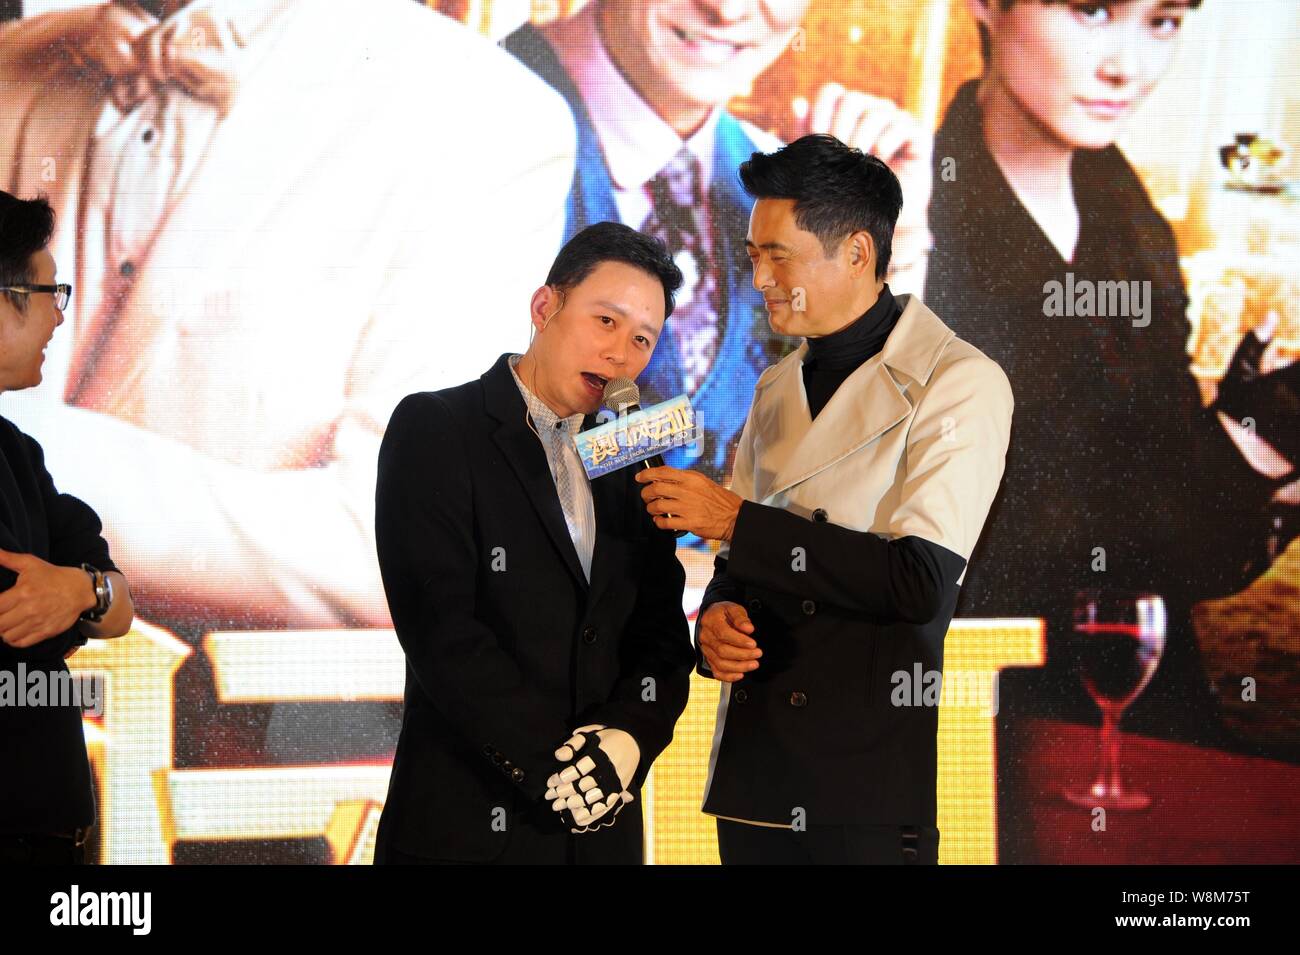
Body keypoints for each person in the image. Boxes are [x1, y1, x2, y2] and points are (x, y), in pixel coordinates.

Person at [0, 0, 576, 631]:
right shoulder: (16, 64)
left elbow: (406, 542)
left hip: (234, 715)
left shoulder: (484, 114)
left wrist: (31, 442)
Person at [925, 0, 1300, 747]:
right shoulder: (913, 218)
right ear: (985, 8)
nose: (1126, 66)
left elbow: (1166, 559)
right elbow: (993, 539)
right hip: (977, 705)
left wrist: (1251, 443)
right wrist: (1239, 452)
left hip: (1143, 694)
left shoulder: (1129, 216)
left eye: (1162, 22)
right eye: (1091, 11)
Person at [634, 135, 1013, 863]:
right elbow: (742, 566)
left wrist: (735, 519)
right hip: (753, 785)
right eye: (753, 255)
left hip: (861, 799)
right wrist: (716, 623)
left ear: (859, 255)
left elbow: (920, 582)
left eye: (781, 255)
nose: (761, 278)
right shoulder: (776, 386)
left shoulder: (960, 381)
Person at [502, 0, 934, 489]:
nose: (727, 9)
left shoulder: (764, 173)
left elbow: (864, 469)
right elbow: (493, 452)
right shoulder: (475, 118)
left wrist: (883, 252)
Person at [373, 222, 694, 865]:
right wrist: (563, 773)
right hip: (467, 824)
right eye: (605, 321)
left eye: (641, 339)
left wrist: (628, 742)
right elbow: (444, 636)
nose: (621, 355)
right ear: (544, 308)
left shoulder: (631, 452)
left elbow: (660, 639)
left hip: (600, 831)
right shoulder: (436, 426)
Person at [0, 190, 136, 864]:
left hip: (49, 831)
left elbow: (117, 600)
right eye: (50, 292)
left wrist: (81, 592)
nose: (60, 316)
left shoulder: (18, 454)